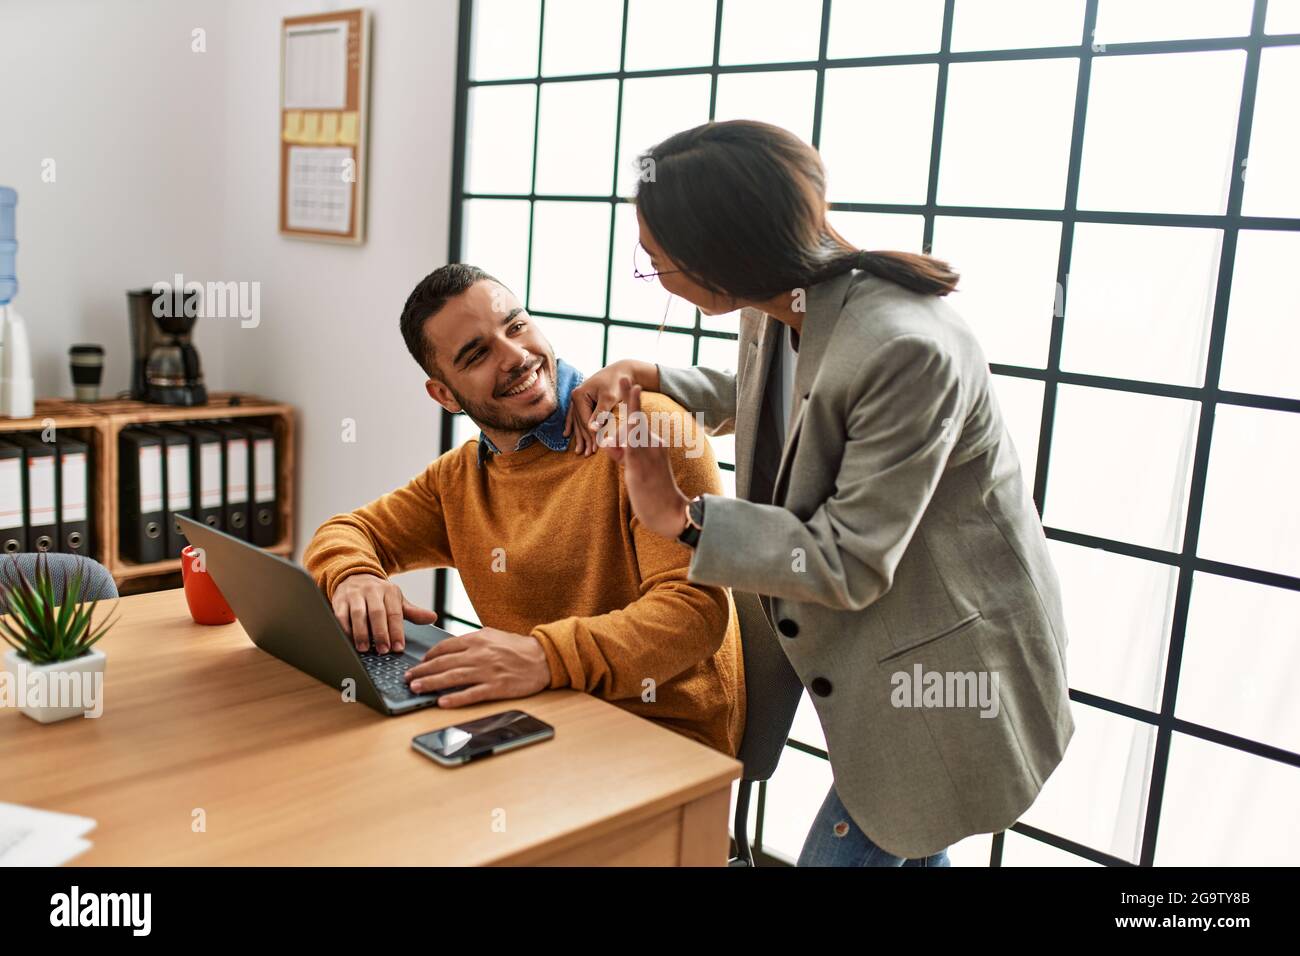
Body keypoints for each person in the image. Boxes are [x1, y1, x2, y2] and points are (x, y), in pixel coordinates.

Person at [567, 120, 1074, 865]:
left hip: (939, 671)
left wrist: (681, 517)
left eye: (655, 261)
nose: (654, 276)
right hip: (863, 650)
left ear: (722, 259)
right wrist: (653, 375)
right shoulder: (789, 299)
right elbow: (784, 402)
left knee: (890, 827)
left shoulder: (905, 348)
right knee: (906, 838)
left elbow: (849, 563)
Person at [303, 264, 745, 755]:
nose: (516, 357)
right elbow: (350, 530)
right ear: (445, 394)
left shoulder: (649, 427)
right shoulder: (461, 477)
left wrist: (542, 657)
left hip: (662, 738)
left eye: (516, 326)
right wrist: (353, 575)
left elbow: (696, 613)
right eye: (477, 354)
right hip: (536, 717)